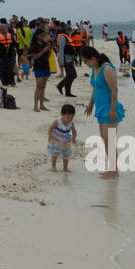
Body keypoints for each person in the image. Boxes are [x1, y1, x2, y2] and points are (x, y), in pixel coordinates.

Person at [79, 46, 122, 180]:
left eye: (85, 61)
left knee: (110, 140)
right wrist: (91, 104)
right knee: (105, 139)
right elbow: (95, 87)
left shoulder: (107, 68)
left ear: (93, 58)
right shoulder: (95, 68)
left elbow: (114, 90)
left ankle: (114, 171)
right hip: (101, 108)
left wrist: (113, 109)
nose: (85, 64)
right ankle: (112, 169)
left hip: (110, 108)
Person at [26, 22, 53, 112]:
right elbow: (35, 57)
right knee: (39, 86)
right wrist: (44, 50)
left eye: (44, 35)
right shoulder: (34, 45)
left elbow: (48, 57)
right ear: (37, 36)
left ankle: (41, 105)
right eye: (42, 35)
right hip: (38, 66)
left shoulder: (45, 44)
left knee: (43, 86)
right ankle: (35, 106)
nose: (43, 37)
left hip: (46, 65)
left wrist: (49, 50)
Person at [48, 104, 78, 173]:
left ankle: (65, 168)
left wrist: (74, 138)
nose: (69, 119)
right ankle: (53, 165)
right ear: (62, 114)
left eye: (72, 117)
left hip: (66, 141)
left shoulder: (71, 123)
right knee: (55, 153)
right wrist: (50, 136)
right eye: (68, 117)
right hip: (56, 140)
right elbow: (51, 128)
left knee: (66, 154)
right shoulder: (57, 121)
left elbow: (74, 131)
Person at [59, 26, 82, 97]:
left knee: (70, 75)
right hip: (66, 59)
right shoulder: (62, 37)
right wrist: (61, 61)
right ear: (65, 30)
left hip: (71, 58)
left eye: (70, 30)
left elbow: (72, 49)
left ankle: (67, 92)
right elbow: (61, 49)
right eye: (68, 30)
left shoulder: (69, 37)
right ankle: (60, 86)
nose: (70, 31)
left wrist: (75, 59)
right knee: (73, 75)